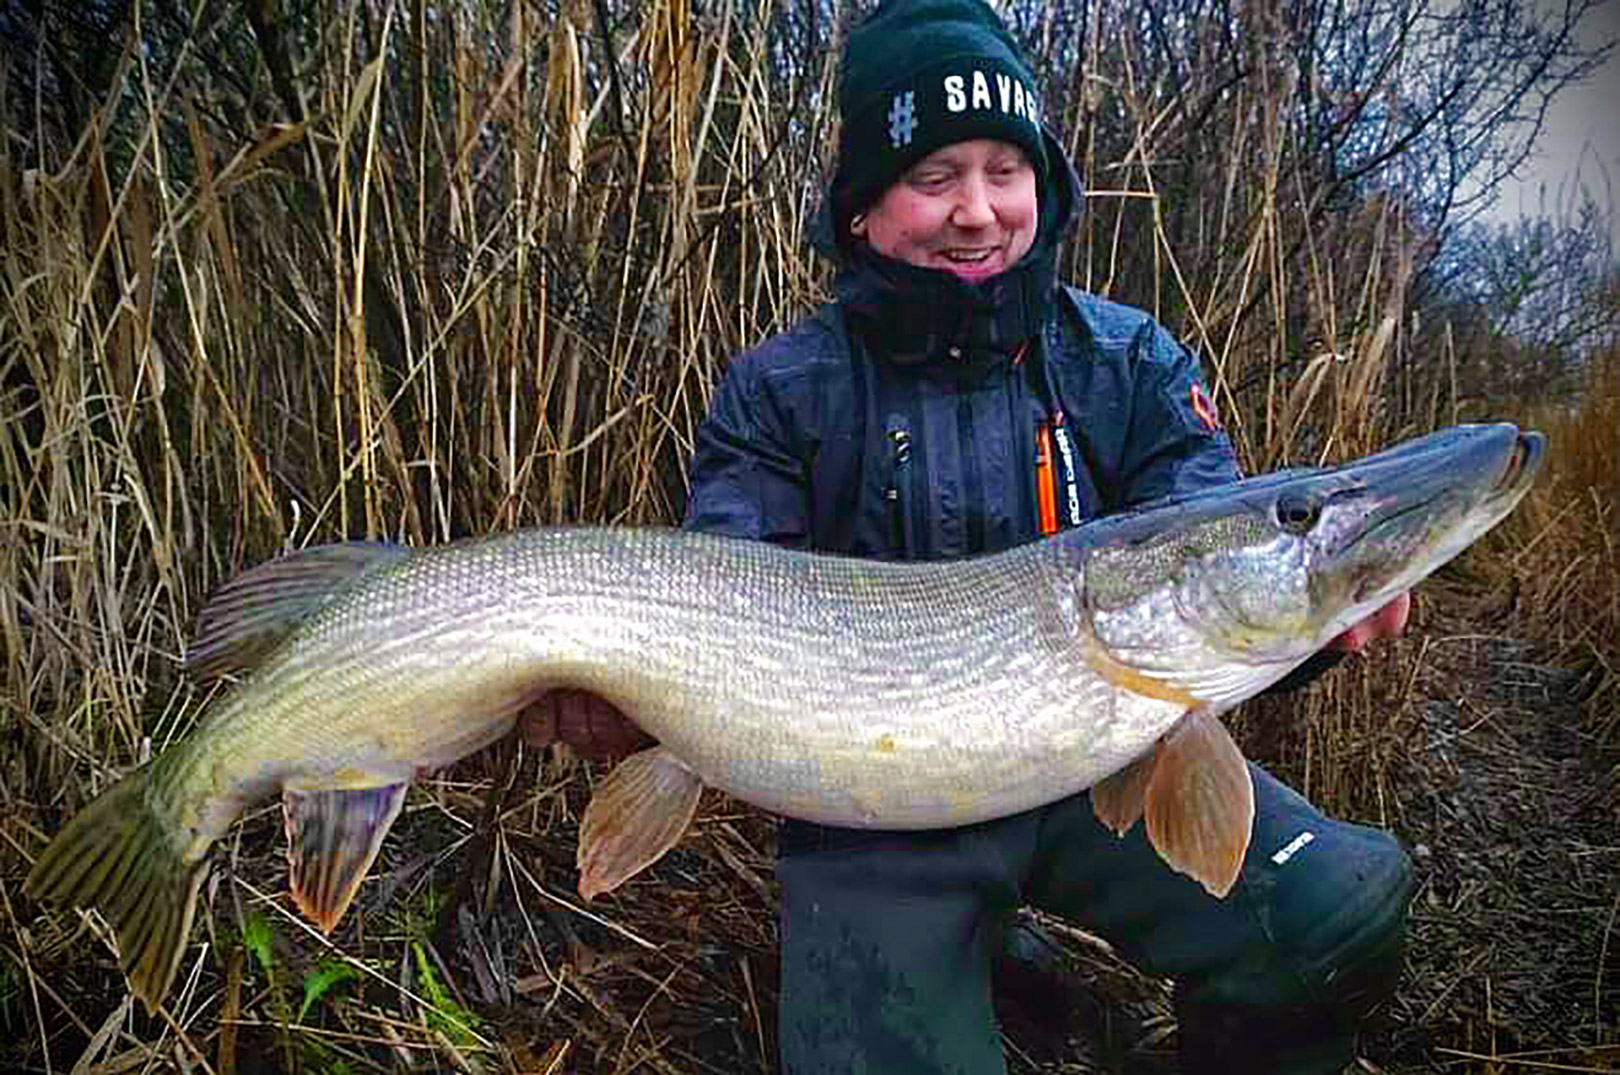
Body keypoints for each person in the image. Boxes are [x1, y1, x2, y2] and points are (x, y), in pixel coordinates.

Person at [524, 1, 1415, 1071]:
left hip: (1098, 770)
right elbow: (720, 610)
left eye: (1007, 168)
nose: (979, 211)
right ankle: (966, 945)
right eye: (934, 176)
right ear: (862, 209)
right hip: (867, 812)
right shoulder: (780, 391)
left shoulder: (1128, 361)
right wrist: (631, 704)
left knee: (1337, 908)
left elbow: (1211, 566)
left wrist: (1312, 622)